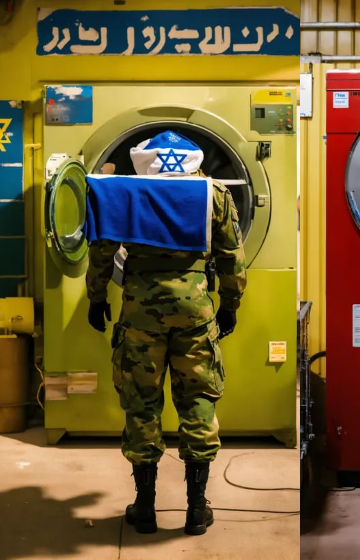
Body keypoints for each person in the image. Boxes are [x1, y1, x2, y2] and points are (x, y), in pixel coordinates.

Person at [86, 131, 247, 536]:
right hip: (194, 310)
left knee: (142, 403)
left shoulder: (124, 193)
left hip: (140, 309)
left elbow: (102, 248)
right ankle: (196, 509)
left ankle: (145, 508)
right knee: (198, 401)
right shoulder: (213, 194)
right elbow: (230, 256)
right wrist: (230, 303)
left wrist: (96, 296)